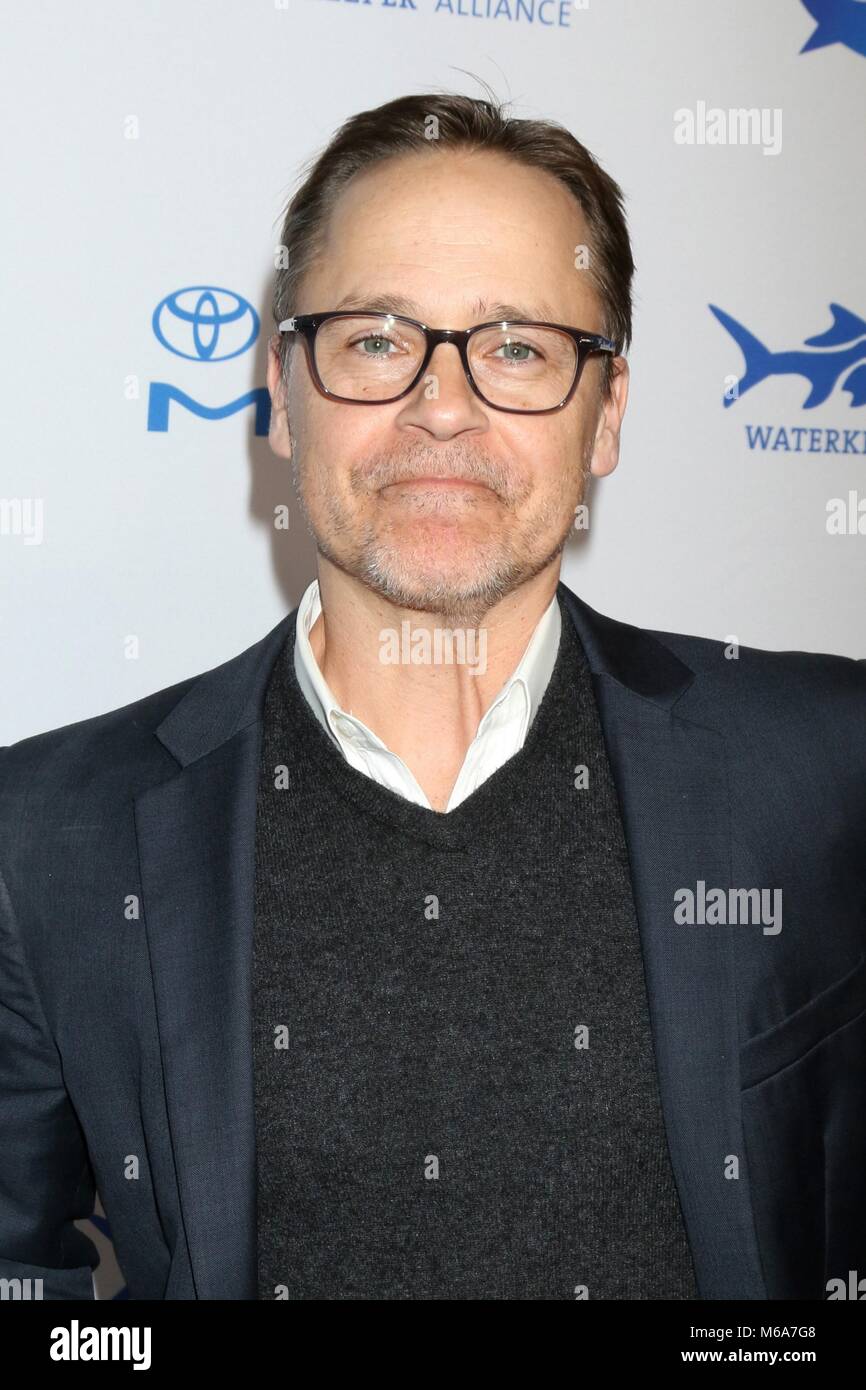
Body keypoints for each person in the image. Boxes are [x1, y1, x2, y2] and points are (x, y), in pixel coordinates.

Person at [1, 91, 864, 1302]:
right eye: (375, 339)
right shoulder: (48, 834)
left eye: (516, 346)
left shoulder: (826, 766)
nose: (441, 406)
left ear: (604, 413)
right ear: (283, 388)